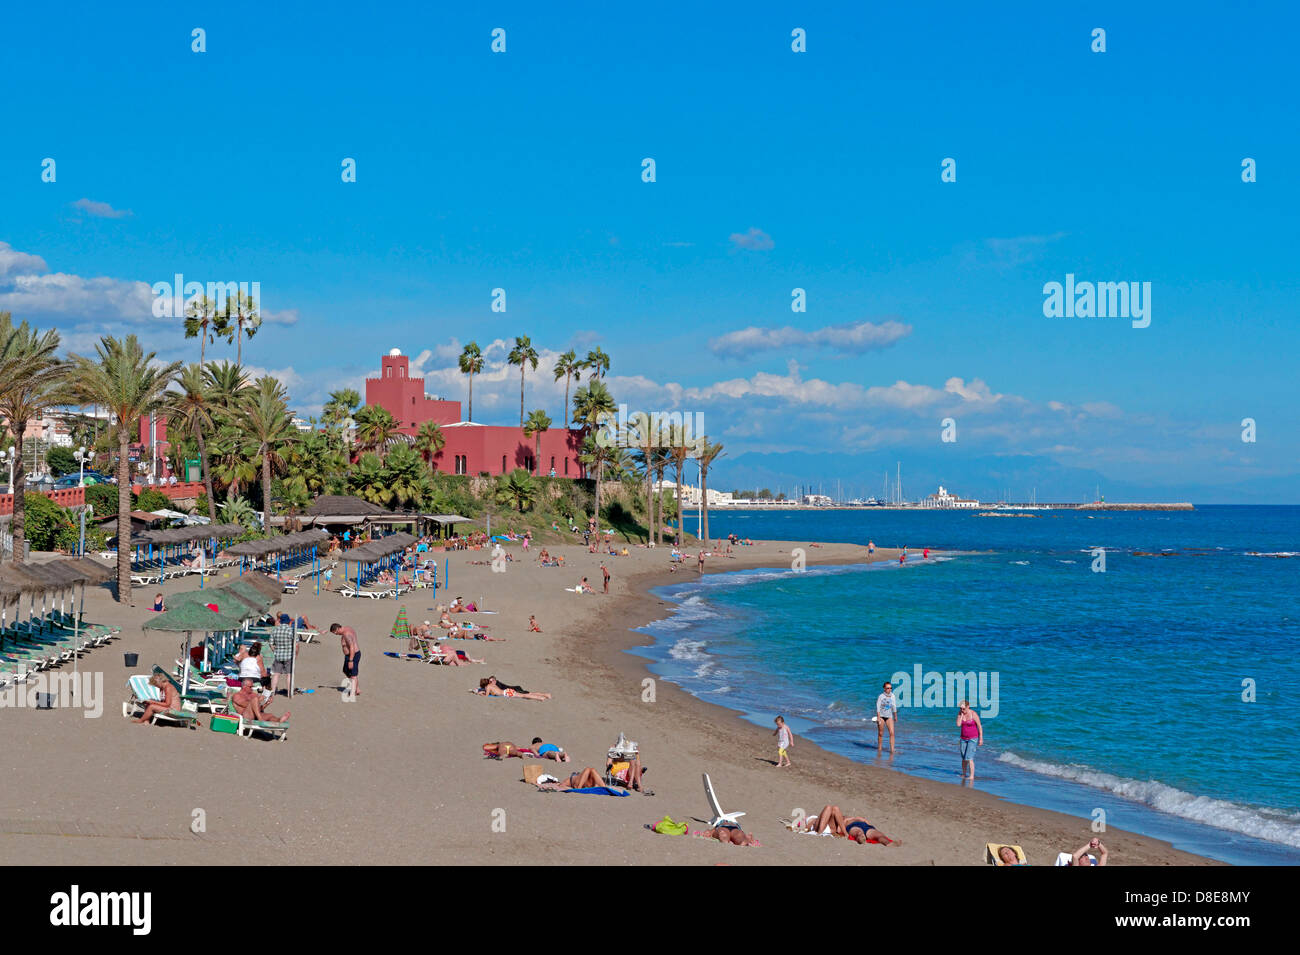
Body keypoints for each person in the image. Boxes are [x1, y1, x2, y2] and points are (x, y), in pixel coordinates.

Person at [799, 805, 900, 846]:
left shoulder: (825, 817)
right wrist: (806, 827)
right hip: (845, 827)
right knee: (830, 807)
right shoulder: (813, 819)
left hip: (861, 825)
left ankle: (888, 842)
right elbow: (806, 827)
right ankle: (860, 837)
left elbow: (868, 823)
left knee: (876, 834)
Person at [269, 617, 298, 697]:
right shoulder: (291, 630)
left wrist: (275, 651)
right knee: (289, 674)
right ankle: (289, 693)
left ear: (280, 621)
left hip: (278, 655)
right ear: (289, 621)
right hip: (289, 655)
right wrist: (296, 654)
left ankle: (273, 692)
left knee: (276, 674)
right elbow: (296, 644)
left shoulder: (275, 630)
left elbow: (271, 643)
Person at [331, 623, 360, 697]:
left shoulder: (346, 634)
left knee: (353, 675)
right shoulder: (347, 628)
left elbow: (352, 647)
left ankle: (353, 693)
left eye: (335, 632)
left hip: (353, 655)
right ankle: (357, 688)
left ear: (337, 629)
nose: (336, 634)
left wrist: (351, 660)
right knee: (346, 671)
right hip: (349, 656)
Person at [957, 700, 983, 780]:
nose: (962, 710)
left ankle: (971, 776)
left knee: (969, 757)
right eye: (961, 708)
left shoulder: (973, 714)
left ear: (968, 707)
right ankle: (964, 774)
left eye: (964, 708)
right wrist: (961, 716)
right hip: (963, 739)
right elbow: (958, 725)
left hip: (973, 739)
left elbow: (979, 726)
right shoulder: (960, 713)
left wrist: (981, 738)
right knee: (964, 757)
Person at [474, 676, 550, 700]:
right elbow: (494, 692)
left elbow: (487, 695)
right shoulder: (492, 685)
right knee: (524, 695)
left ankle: (540, 698)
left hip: (506, 693)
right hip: (507, 691)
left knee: (524, 695)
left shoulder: (488, 687)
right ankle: (543, 696)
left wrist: (480, 693)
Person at [876, 680, 899, 754]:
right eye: (888, 688)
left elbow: (894, 706)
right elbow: (878, 707)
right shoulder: (881, 696)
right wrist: (878, 717)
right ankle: (879, 749)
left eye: (890, 688)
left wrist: (895, 716)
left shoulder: (893, 696)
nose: (889, 689)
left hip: (889, 717)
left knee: (892, 733)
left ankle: (892, 750)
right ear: (884, 688)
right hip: (881, 716)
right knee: (880, 733)